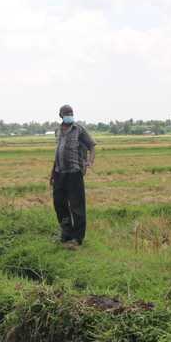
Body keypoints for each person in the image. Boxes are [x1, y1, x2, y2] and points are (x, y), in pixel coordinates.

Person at [49, 104, 96, 248]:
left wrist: (91, 161)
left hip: (74, 173)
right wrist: (52, 173)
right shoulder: (58, 131)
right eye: (66, 112)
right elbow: (58, 153)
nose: (69, 114)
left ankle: (77, 239)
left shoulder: (79, 129)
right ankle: (66, 235)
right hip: (59, 173)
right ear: (60, 115)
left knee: (77, 206)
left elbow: (92, 146)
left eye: (71, 112)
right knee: (60, 205)